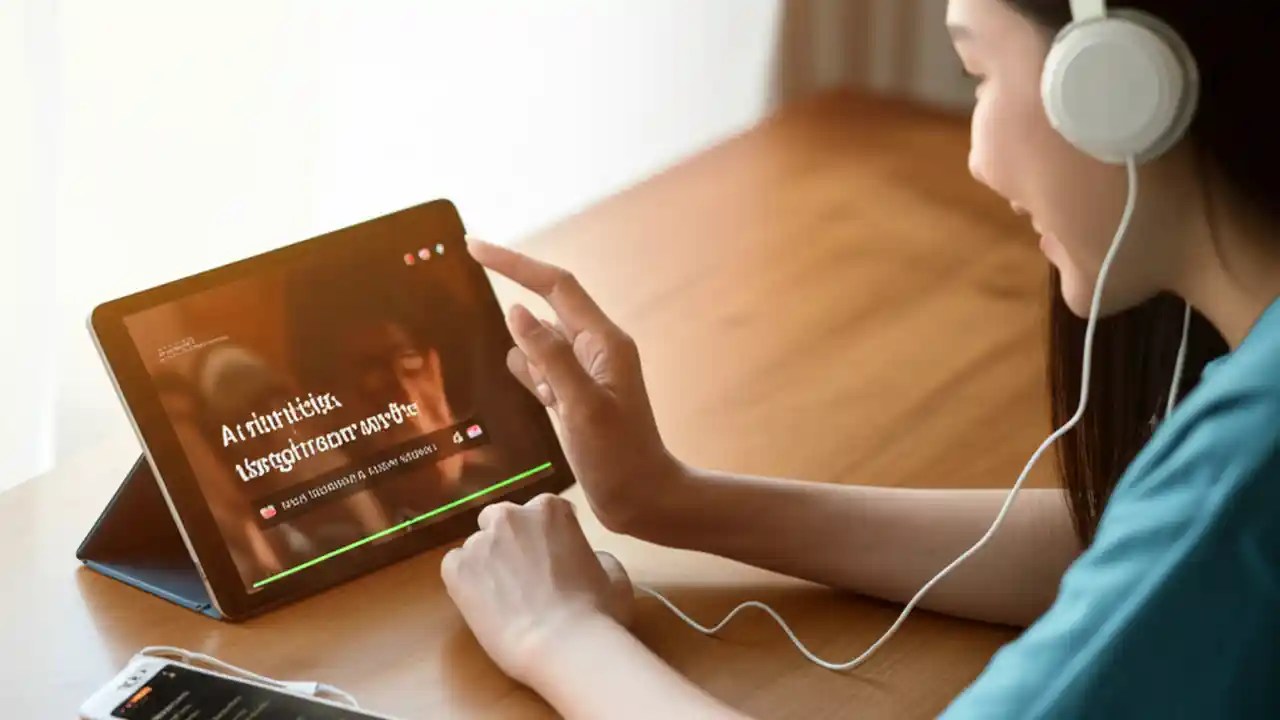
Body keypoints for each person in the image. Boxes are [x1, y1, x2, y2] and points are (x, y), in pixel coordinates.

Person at [440, 1, 1280, 717]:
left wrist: (555, 637)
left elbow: (1201, 527)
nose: (979, 159)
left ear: (1118, 86)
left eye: (977, 73)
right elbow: (1134, 540)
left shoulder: (1249, 459)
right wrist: (669, 501)